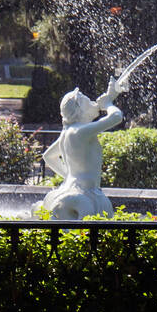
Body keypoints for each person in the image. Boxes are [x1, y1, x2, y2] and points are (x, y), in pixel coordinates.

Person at [38, 75, 128, 220]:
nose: (92, 100)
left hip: (69, 189)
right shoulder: (80, 132)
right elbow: (116, 117)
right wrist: (108, 104)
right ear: (80, 108)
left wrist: (69, 176)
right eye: (86, 98)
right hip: (88, 195)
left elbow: (48, 157)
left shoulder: (68, 132)